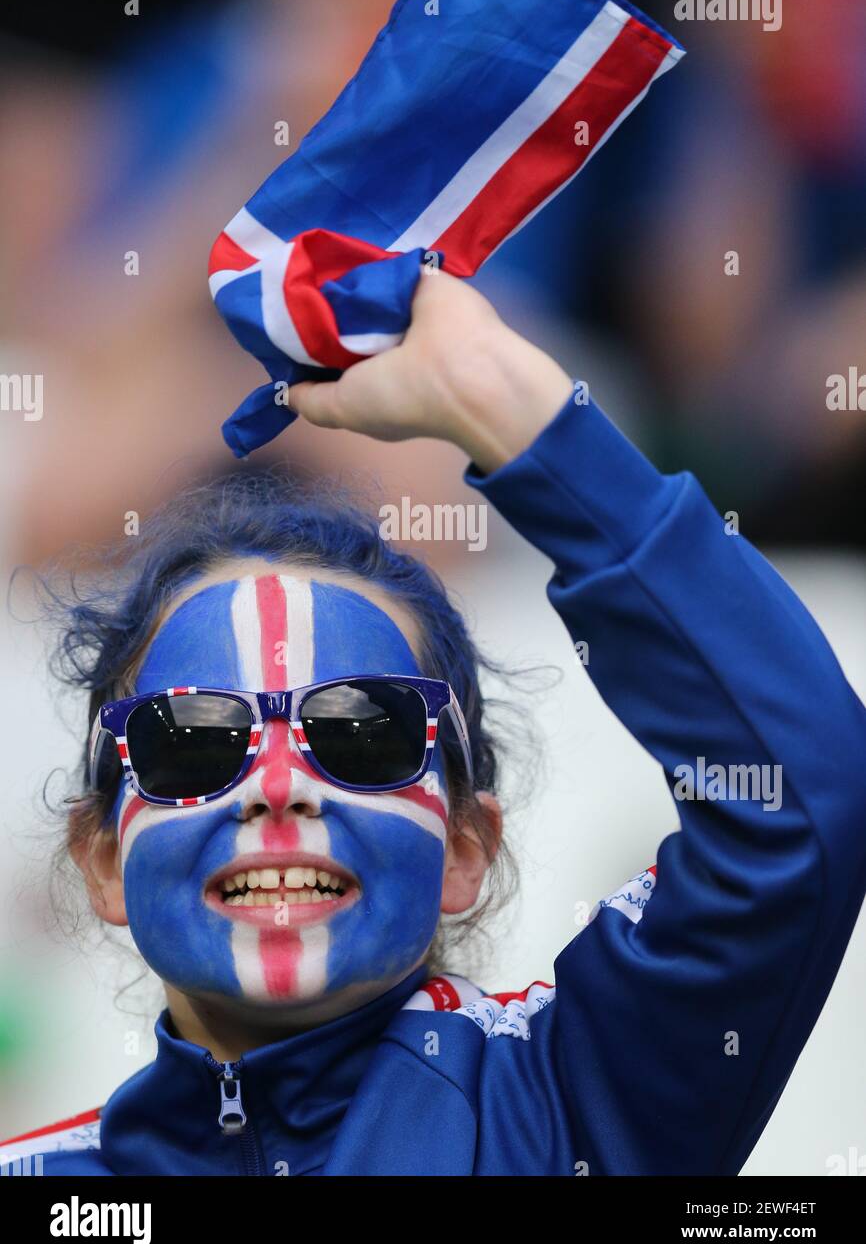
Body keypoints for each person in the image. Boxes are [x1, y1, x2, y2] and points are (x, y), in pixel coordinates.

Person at [2, 270, 864, 1175]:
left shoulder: (569, 1106)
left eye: (360, 733)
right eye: (194, 743)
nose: (279, 787)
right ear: (100, 859)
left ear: (465, 846)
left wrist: (514, 411)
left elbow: (803, 798)